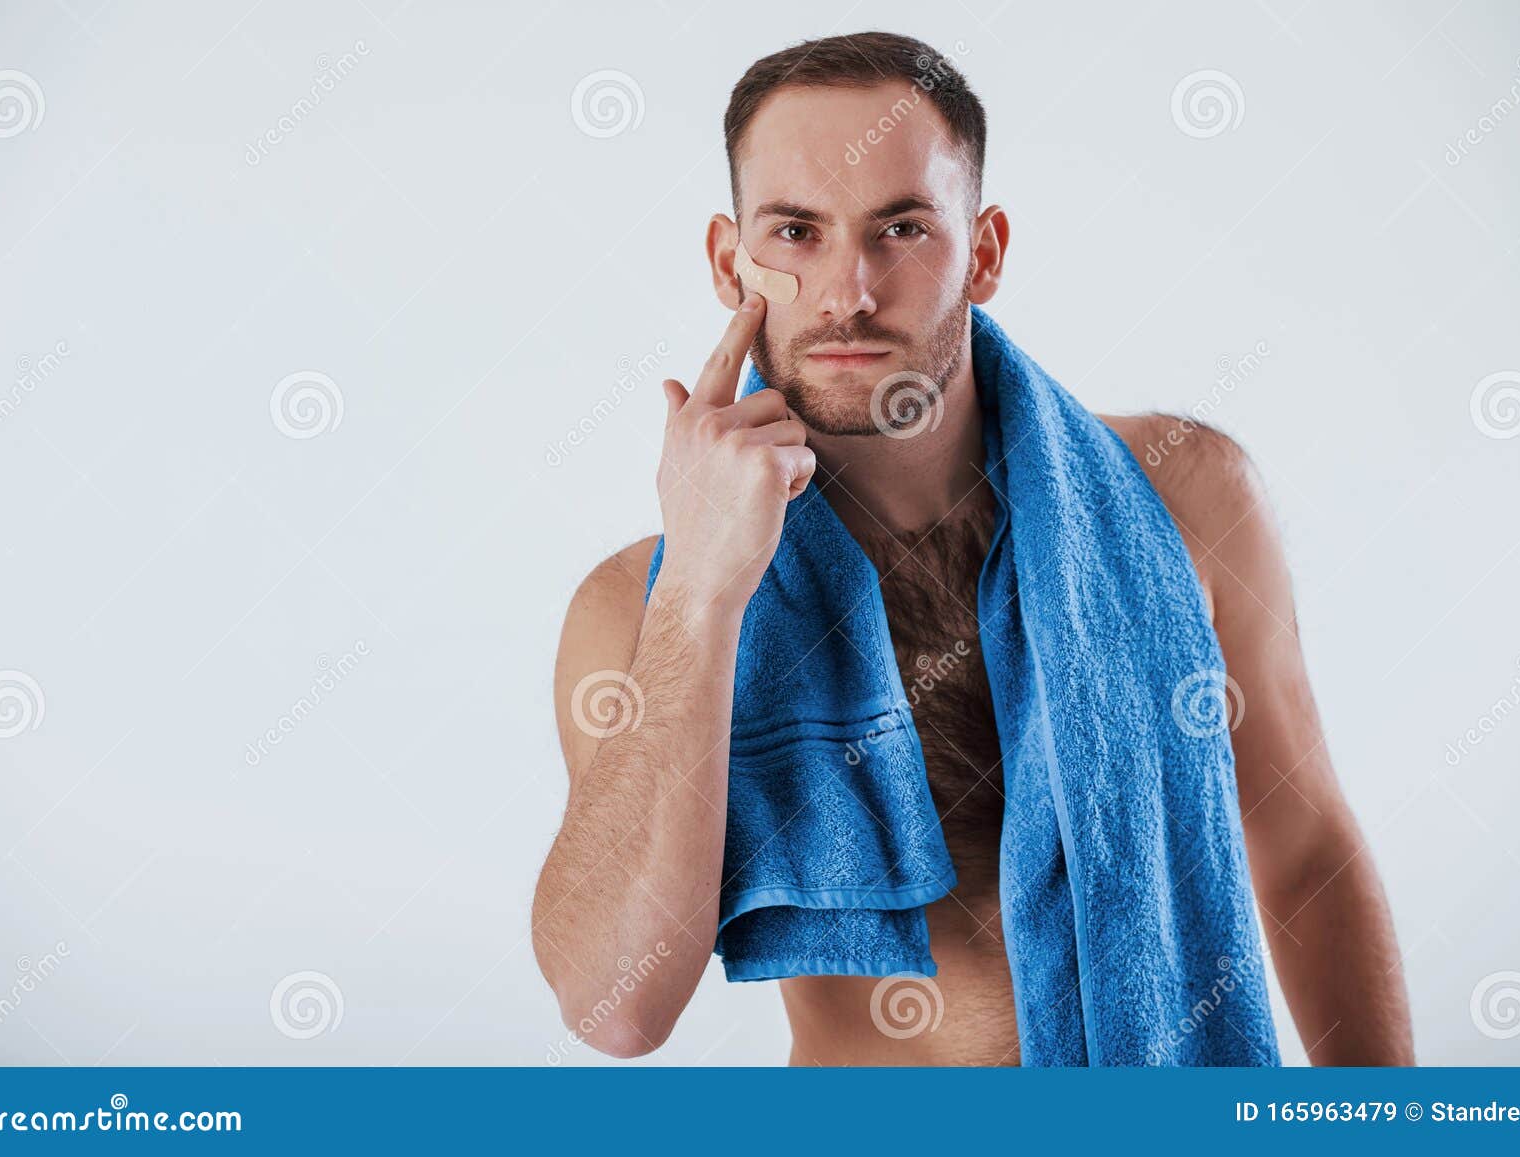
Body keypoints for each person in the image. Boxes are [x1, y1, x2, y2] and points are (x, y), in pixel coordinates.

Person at [533, 31, 1414, 1066]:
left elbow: (1304, 848)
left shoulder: (1184, 494)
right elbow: (613, 1009)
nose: (847, 291)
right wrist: (702, 586)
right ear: (731, 263)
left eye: (900, 228)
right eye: (796, 233)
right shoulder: (636, 606)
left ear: (984, 252)